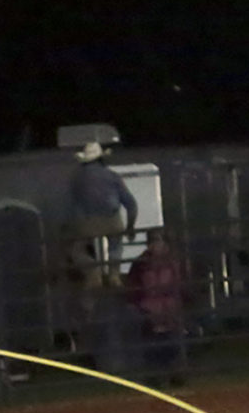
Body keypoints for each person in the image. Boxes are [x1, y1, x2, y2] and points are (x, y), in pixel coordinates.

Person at [66, 141, 138, 289]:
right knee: (116, 246)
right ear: (101, 159)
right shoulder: (112, 176)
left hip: (88, 222)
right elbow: (131, 204)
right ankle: (114, 276)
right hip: (112, 220)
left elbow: (73, 206)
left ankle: (93, 273)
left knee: (77, 251)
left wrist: (74, 227)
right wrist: (130, 227)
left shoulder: (77, 178)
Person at [123, 229, 189, 385]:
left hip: (171, 309)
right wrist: (141, 307)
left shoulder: (175, 261)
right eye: (152, 241)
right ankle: (155, 375)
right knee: (152, 340)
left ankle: (176, 373)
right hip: (149, 309)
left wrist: (178, 305)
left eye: (158, 241)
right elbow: (134, 289)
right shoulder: (141, 263)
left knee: (174, 338)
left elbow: (184, 286)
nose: (155, 245)